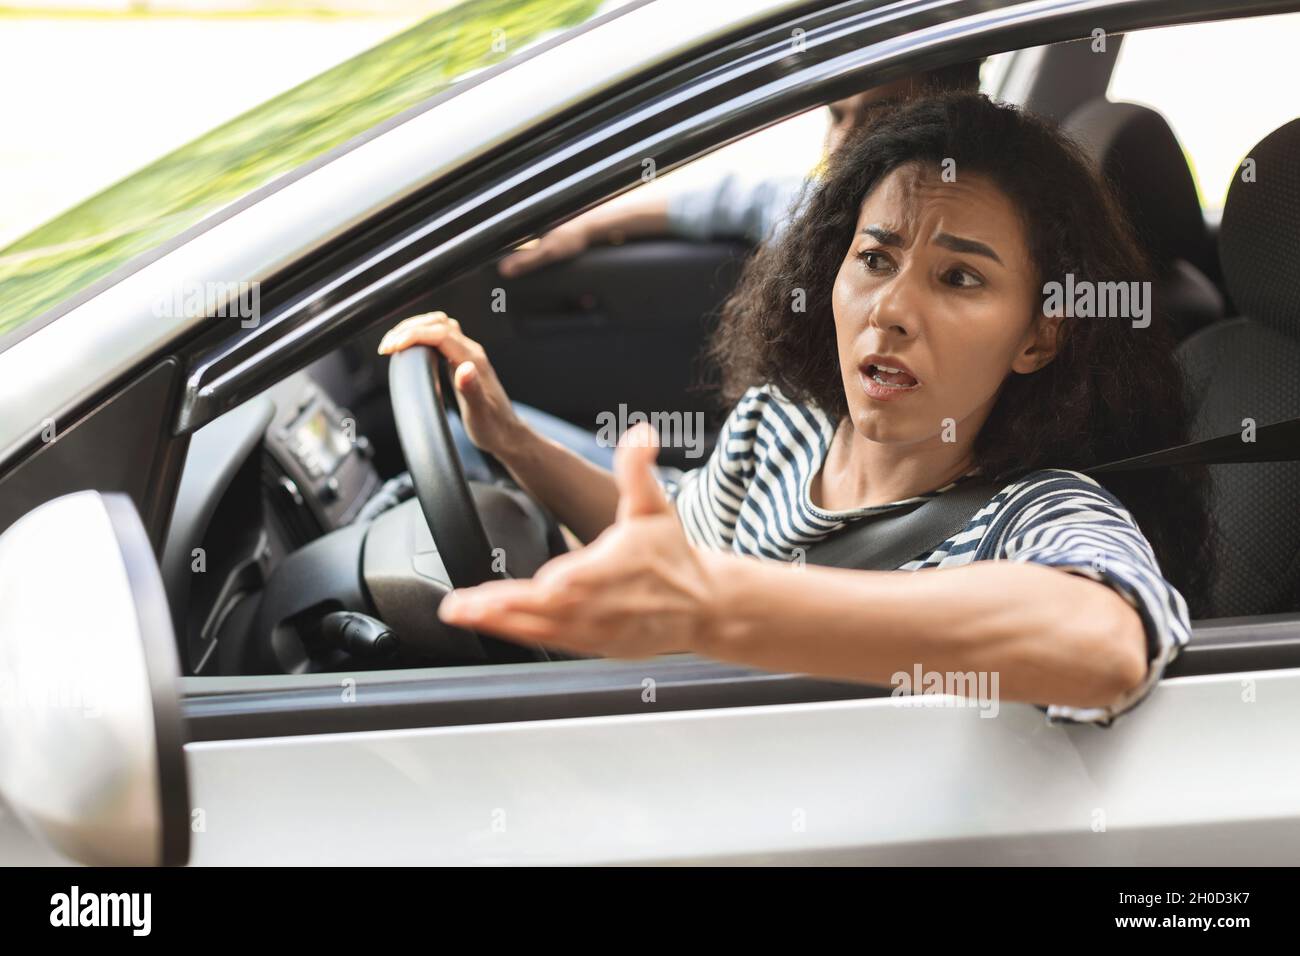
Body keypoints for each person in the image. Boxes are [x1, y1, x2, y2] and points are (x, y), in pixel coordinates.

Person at [377, 91, 1212, 726]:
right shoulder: (785, 422)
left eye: (960, 278)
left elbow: (1101, 641)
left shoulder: (1038, 511)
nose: (890, 309)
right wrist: (512, 440)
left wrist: (716, 610)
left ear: (1038, 337)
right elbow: (679, 537)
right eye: (875, 258)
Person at [429, 62, 984, 484]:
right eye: (871, 260)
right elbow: (729, 199)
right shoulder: (808, 209)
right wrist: (590, 229)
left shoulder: (1013, 509)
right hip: (717, 493)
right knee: (459, 436)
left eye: (957, 278)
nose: (843, 143)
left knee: (453, 446)